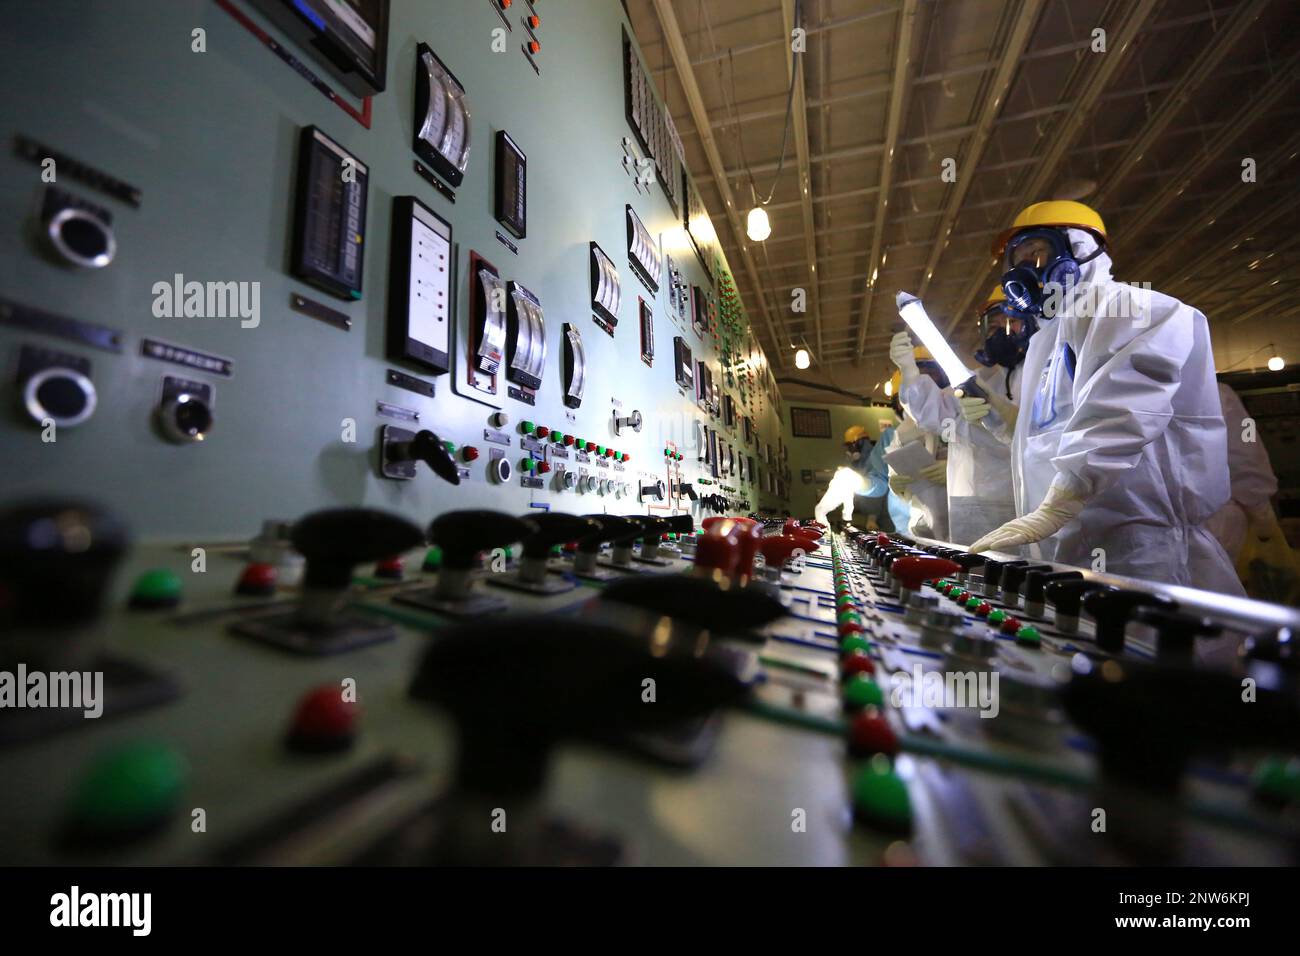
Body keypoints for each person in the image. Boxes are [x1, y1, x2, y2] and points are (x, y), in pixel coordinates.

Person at [966, 200, 1244, 596]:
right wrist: (1000, 419)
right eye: (1018, 260)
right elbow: (1053, 434)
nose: (1027, 269)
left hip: (1140, 547)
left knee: (1154, 654)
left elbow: (1121, 412)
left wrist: (1058, 504)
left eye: (1038, 253)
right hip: (1069, 545)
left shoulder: (1127, 308)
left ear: (1079, 250)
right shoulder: (1049, 338)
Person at [889, 287, 1026, 546]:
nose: (999, 332)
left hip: (1022, 507)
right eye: (991, 326)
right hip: (973, 510)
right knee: (972, 579)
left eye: (1008, 321)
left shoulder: (1042, 372)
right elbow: (933, 413)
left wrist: (1004, 415)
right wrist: (908, 372)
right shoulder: (981, 378)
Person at [1205, 381, 1281, 566]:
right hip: (1214, 528)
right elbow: (1247, 457)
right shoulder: (1219, 394)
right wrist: (1265, 522)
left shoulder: (1126, 391)